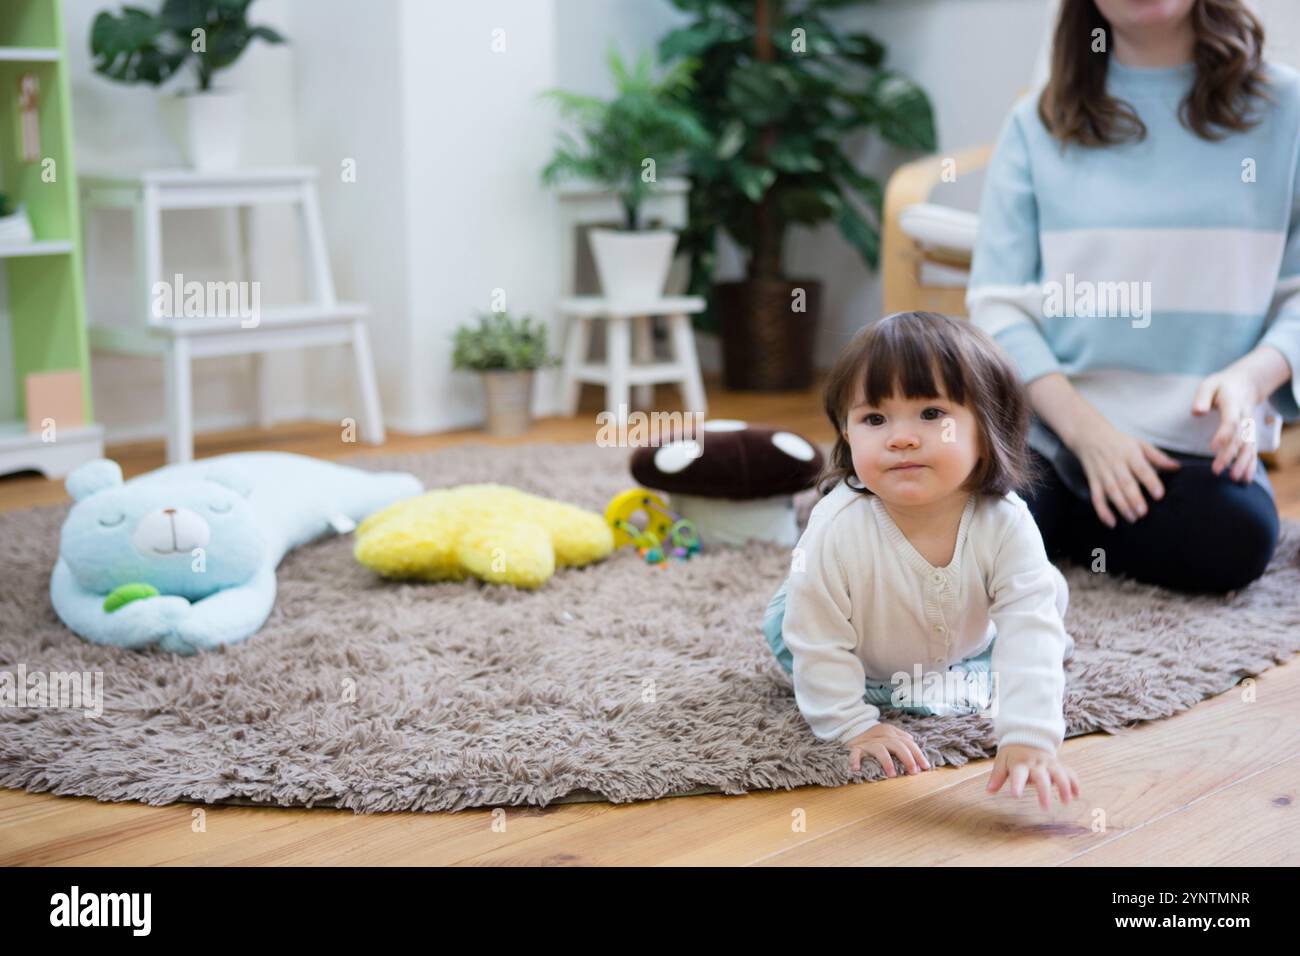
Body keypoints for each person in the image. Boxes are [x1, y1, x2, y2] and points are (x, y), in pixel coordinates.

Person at [967, 0, 1300, 593]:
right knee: (964, 517)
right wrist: (1088, 434)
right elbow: (997, 304)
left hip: (1191, 451)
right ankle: (1052, 524)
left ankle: (1056, 538)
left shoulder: (1286, 109)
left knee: (1238, 536)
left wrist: (1250, 379)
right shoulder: (1038, 120)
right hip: (1051, 428)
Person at [762, 311, 1080, 810]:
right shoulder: (837, 527)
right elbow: (817, 638)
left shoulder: (1006, 521)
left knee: (1042, 598)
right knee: (795, 615)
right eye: (874, 419)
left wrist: (1028, 736)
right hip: (862, 654)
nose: (901, 437)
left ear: (987, 426)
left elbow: (1030, 628)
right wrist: (852, 724)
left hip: (964, 642)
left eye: (931, 414)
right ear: (847, 434)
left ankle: (968, 666)